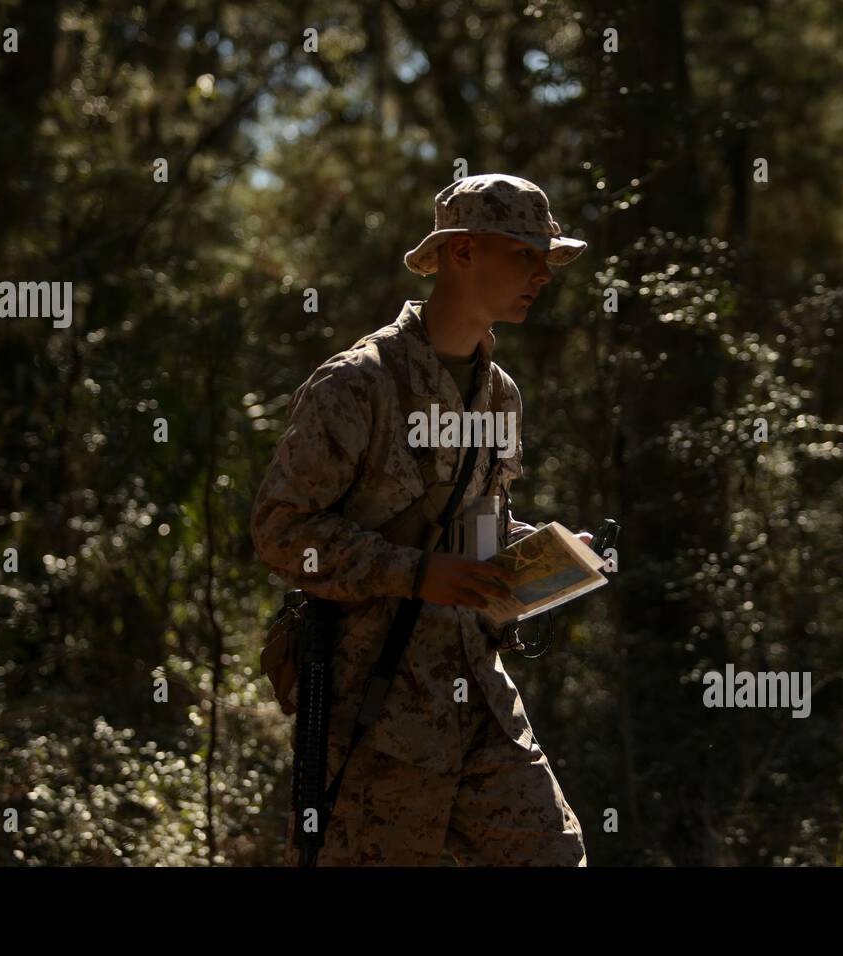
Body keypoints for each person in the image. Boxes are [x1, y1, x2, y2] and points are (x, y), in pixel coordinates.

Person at [251, 173, 590, 866]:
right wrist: (413, 574)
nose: (541, 275)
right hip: (375, 708)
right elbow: (282, 533)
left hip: (477, 692)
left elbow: (476, 525)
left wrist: (544, 556)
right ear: (462, 252)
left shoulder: (499, 396)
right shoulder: (358, 383)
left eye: (547, 259)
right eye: (525, 254)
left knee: (553, 857)